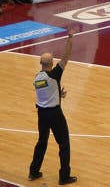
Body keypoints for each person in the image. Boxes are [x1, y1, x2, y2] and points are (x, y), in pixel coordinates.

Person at [29, 30, 77, 185]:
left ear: (41, 64)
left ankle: (33, 172)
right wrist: (70, 39)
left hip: (42, 114)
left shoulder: (37, 78)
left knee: (42, 142)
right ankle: (64, 177)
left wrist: (58, 94)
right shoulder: (55, 74)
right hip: (55, 114)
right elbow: (66, 57)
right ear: (51, 64)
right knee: (64, 144)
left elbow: (44, 92)